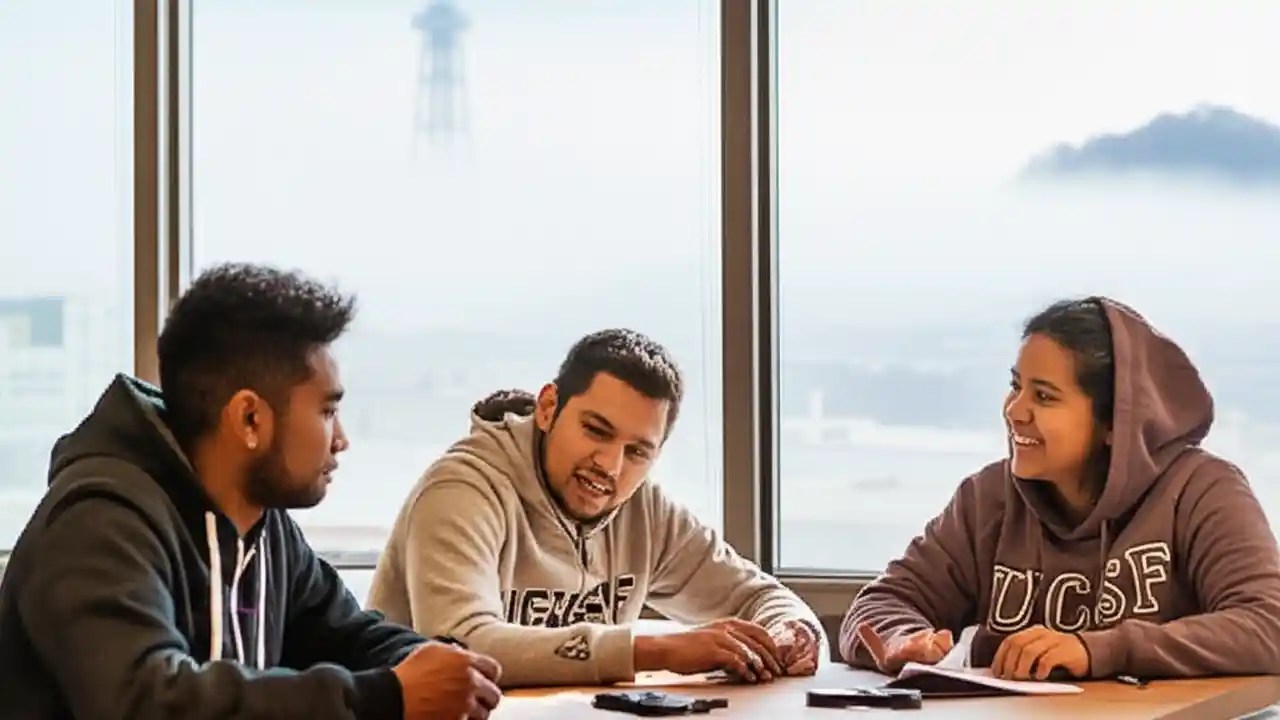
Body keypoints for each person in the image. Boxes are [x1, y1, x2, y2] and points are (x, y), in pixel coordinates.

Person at [0, 264, 502, 720]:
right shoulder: (99, 522)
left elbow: (347, 634)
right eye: (327, 412)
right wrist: (384, 697)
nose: (342, 439)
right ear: (249, 419)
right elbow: (145, 701)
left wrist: (443, 667)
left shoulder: (263, 527)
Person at [841, 297, 1280, 682]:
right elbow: (881, 602)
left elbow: (1268, 624)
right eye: (1016, 386)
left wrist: (1098, 649)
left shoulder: (1202, 490)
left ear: (1115, 422)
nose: (1015, 411)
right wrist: (901, 641)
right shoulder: (986, 498)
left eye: (1045, 397)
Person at [366, 328, 823, 688]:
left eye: (638, 451)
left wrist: (792, 633)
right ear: (548, 408)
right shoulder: (462, 490)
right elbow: (461, 643)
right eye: (596, 431)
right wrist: (656, 651)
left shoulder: (645, 512)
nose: (610, 465)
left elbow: (759, 597)